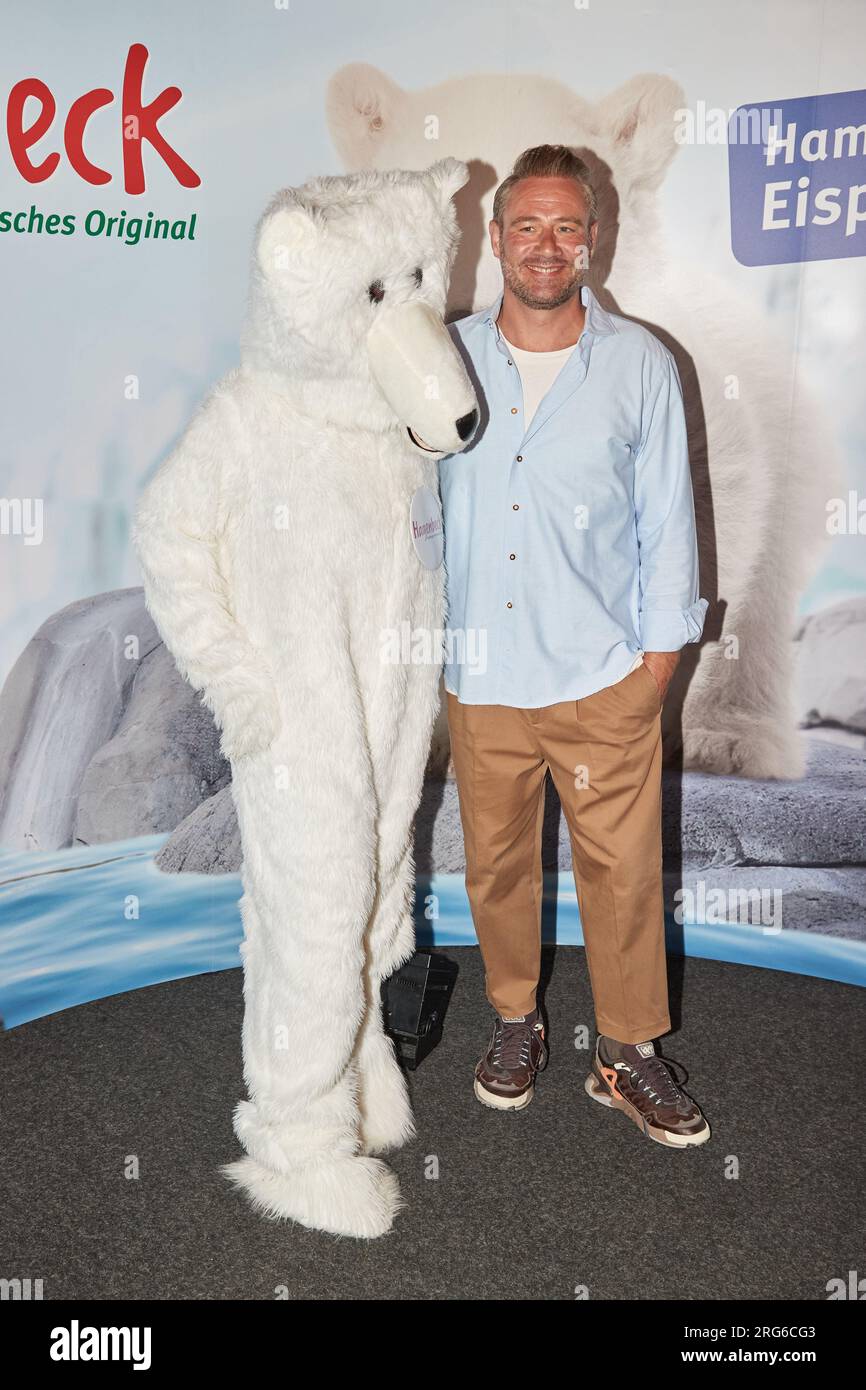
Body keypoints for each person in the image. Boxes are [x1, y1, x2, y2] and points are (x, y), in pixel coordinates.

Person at [414, 144, 710, 1147]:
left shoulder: (639, 364)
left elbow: (668, 518)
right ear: (495, 240)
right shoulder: (438, 355)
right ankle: (513, 1020)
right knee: (495, 867)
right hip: (482, 673)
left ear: (593, 239)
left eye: (565, 227)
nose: (545, 247)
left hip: (600, 673)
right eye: (525, 227)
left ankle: (625, 1051)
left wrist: (657, 665)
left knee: (621, 873)